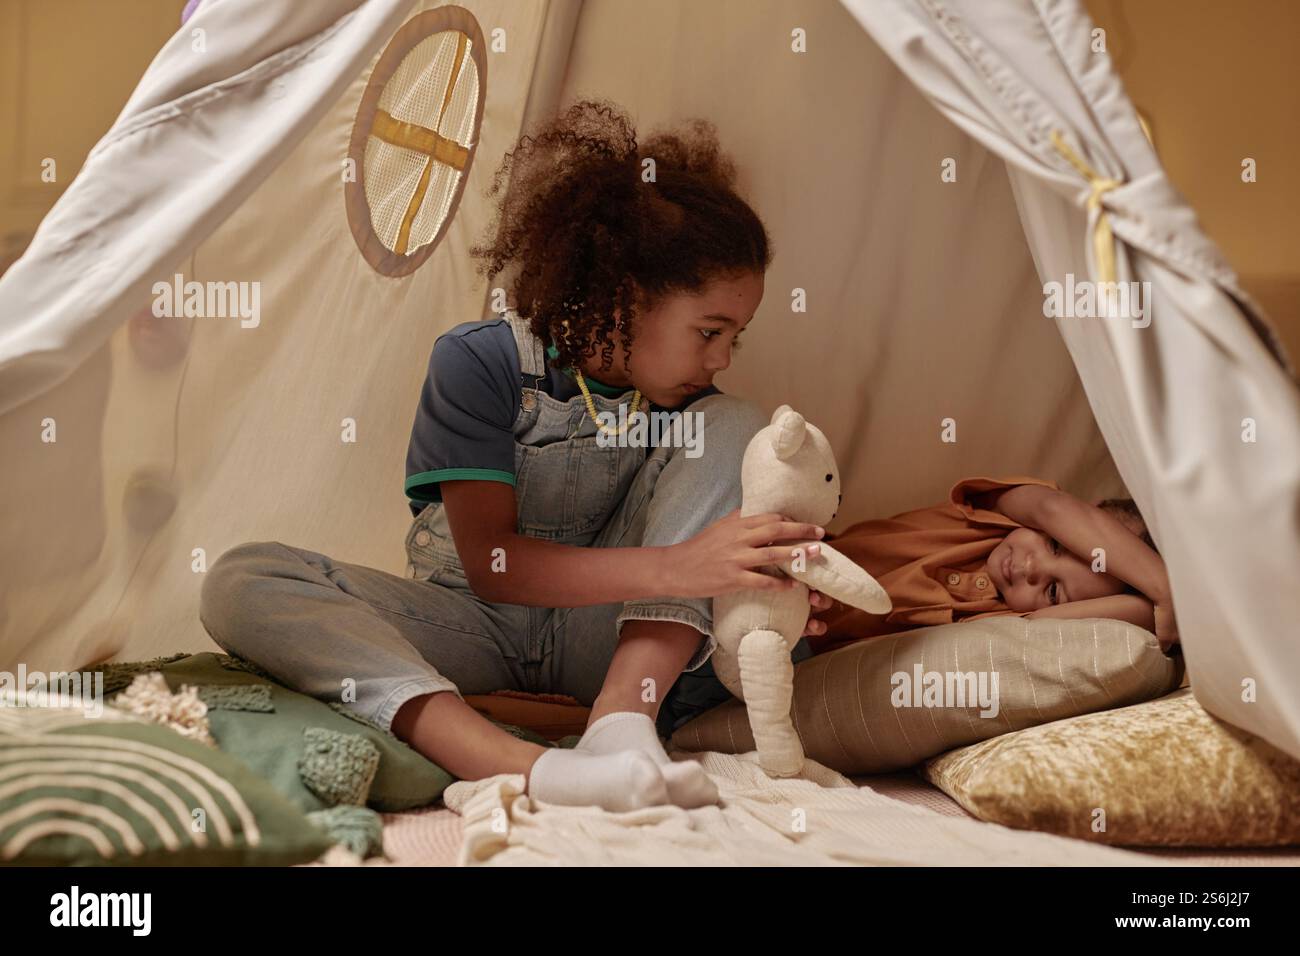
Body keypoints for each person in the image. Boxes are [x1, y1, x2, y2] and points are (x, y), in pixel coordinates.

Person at [198, 99, 829, 813]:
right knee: (241, 578)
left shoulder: (696, 409)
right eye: (709, 331)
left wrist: (766, 593)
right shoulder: (480, 362)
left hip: (615, 641)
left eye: (734, 337)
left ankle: (621, 724)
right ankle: (519, 764)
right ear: (624, 295)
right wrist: (681, 566)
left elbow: (711, 572)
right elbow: (492, 568)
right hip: (473, 624)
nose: (719, 358)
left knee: (738, 423)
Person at [806, 476, 1180, 656]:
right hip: (803, 557)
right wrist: (1162, 588)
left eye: (1052, 591)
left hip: (798, 645)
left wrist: (1166, 607)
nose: (1033, 567)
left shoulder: (1004, 625)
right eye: (1056, 545)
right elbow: (1053, 508)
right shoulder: (992, 517)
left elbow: (1045, 627)